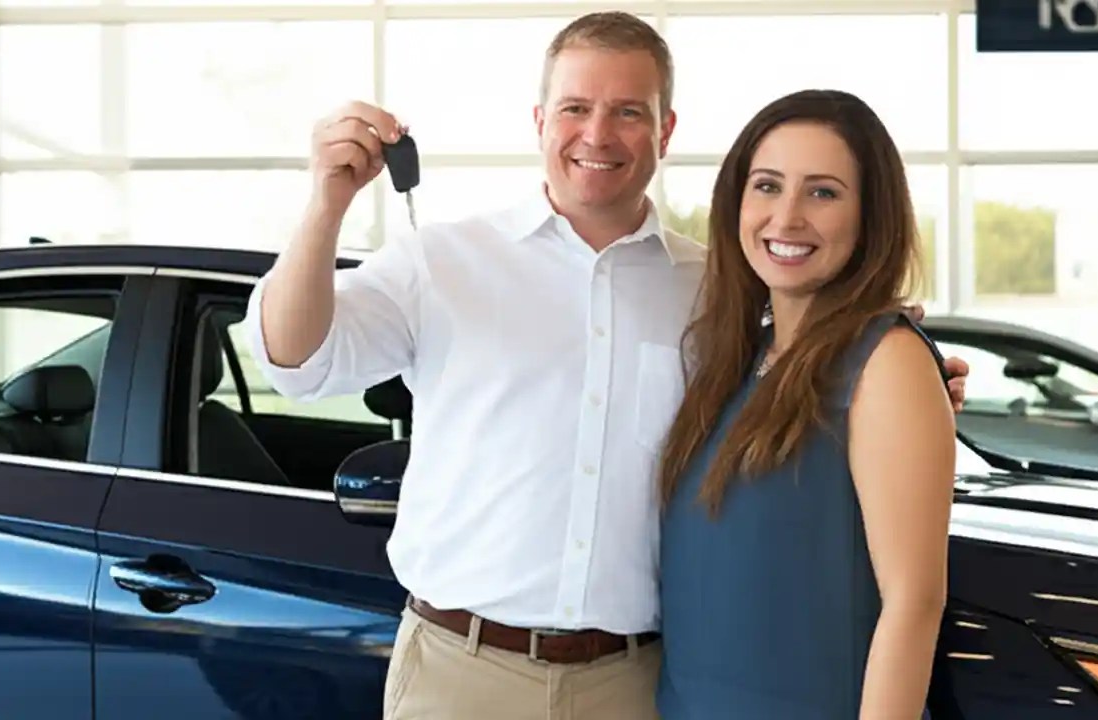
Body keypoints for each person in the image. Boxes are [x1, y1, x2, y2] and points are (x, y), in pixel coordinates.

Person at [243, 11, 967, 719]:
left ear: (666, 131)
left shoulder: (719, 289)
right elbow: (297, 362)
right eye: (576, 108)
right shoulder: (441, 260)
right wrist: (326, 204)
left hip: (635, 683)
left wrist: (906, 396)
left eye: (628, 111)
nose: (598, 134)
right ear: (539, 121)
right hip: (460, 673)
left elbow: (801, 394)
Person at [655, 89, 957, 719]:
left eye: (822, 192)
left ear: (870, 216)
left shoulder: (886, 360)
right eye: (767, 186)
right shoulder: (735, 361)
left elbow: (914, 602)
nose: (786, 217)